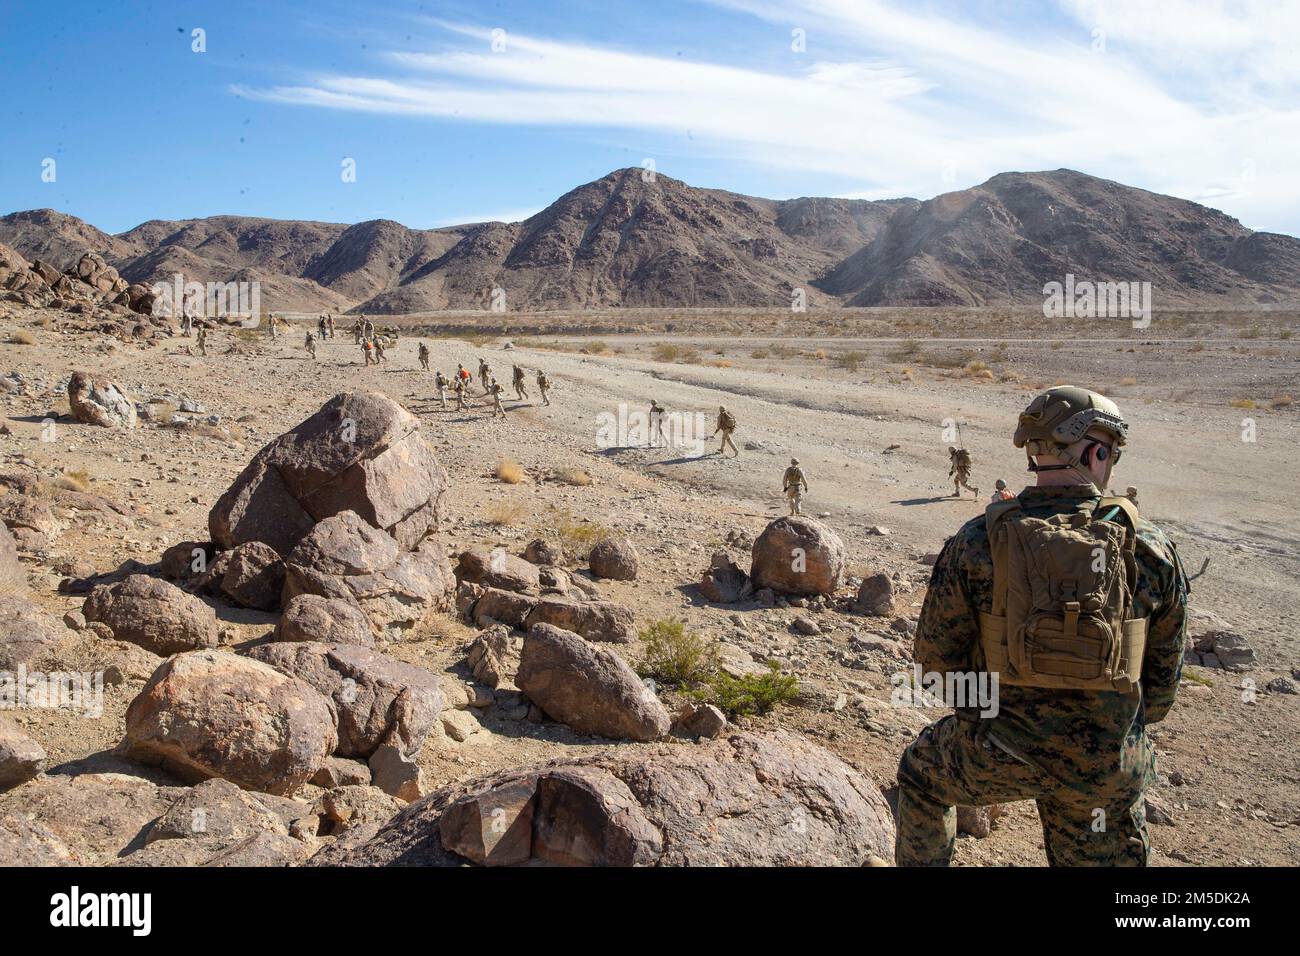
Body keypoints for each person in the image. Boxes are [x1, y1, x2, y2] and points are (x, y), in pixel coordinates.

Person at [895, 386, 1189, 867]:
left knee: (921, 777)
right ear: (1096, 451)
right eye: (1110, 452)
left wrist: (993, 716)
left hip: (998, 750)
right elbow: (1159, 692)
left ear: (1034, 451)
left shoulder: (976, 540)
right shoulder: (1149, 547)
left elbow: (935, 665)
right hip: (1106, 764)